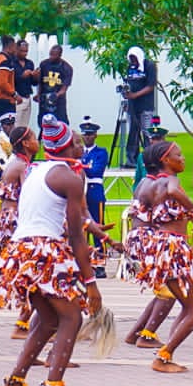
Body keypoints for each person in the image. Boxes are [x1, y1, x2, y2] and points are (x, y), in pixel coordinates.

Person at [0, 114, 103, 386]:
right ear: (67, 145)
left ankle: (15, 382)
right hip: (44, 249)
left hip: (20, 251)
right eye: (77, 142)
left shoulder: (36, 170)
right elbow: (77, 236)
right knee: (71, 317)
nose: (81, 147)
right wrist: (90, 282)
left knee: (48, 319)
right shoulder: (69, 177)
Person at [123, 139, 193, 372]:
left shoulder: (147, 183)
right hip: (172, 247)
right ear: (165, 160)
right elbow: (172, 191)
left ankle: (166, 349)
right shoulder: (169, 180)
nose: (183, 159)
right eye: (178, 155)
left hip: (164, 246)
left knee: (187, 305)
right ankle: (163, 356)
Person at [0, 125, 39, 340]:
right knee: (34, 270)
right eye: (34, 138)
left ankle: (24, 321)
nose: (38, 141)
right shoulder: (21, 166)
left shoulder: (21, 163)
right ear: (26, 143)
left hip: (10, 219)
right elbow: (30, 196)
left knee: (32, 271)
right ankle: (23, 323)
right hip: (16, 220)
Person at [78, 117, 109, 277]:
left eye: (90, 134)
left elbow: (96, 171)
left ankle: (100, 263)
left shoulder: (100, 152)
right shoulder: (79, 152)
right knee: (81, 229)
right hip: (80, 192)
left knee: (97, 227)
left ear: (95, 135)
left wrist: (80, 165)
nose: (87, 137)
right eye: (85, 134)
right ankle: (85, 262)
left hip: (94, 191)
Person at [121, 47, 157, 168]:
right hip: (132, 107)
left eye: (135, 59)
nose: (133, 62)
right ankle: (132, 160)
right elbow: (128, 84)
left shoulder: (149, 66)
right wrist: (126, 98)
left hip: (145, 105)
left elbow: (151, 86)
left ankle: (149, 160)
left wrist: (135, 95)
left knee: (147, 133)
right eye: (131, 59)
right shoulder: (130, 68)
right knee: (133, 133)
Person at [35, 44, 73, 126]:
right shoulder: (44, 64)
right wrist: (38, 95)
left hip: (58, 101)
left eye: (53, 55)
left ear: (59, 55)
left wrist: (57, 95)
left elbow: (64, 88)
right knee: (42, 121)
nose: (51, 57)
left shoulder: (66, 68)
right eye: (50, 54)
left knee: (61, 121)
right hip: (44, 98)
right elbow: (40, 82)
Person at [0, 35, 19, 118]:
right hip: (5, 100)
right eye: (15, 47)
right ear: (10, 46)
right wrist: (14, 95)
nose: (15, 50)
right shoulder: (5, 62)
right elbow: (3, 83)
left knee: (1, 124)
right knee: (8, 126)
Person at [13, 40, 37, 129]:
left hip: (27, 96)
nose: (24, 54)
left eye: (26, 51)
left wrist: (35, 76)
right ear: (17, 49)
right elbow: (10, 81)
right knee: (16, 125)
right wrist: (22, 76)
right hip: (17, 97)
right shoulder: (12, 63)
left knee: (24, 126)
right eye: (22, 51)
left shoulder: (29, 63)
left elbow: (33, 83)